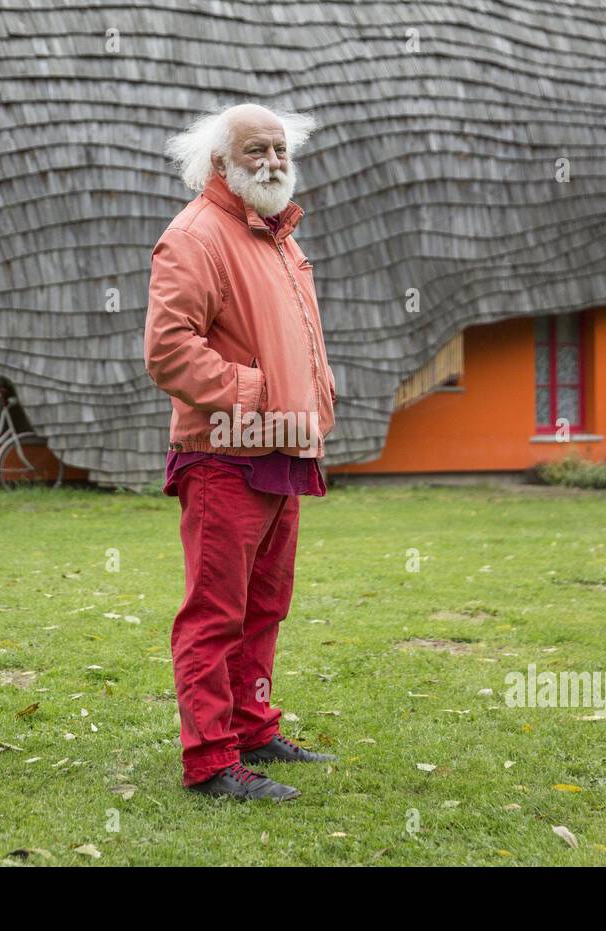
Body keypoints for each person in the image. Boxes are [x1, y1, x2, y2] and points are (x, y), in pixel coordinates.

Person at [144, 103, 338, 802]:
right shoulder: (193, 236)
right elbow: (168, 350)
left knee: (265, 606)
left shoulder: (277, 237)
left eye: (281, 150)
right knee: (216, 613)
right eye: (256, 150)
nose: (273, 162)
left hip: (284, 450)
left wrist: (312, 397)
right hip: (223, 453)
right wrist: (254, 394)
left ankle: (253, 727)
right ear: (219, 163)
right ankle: (210, 762)